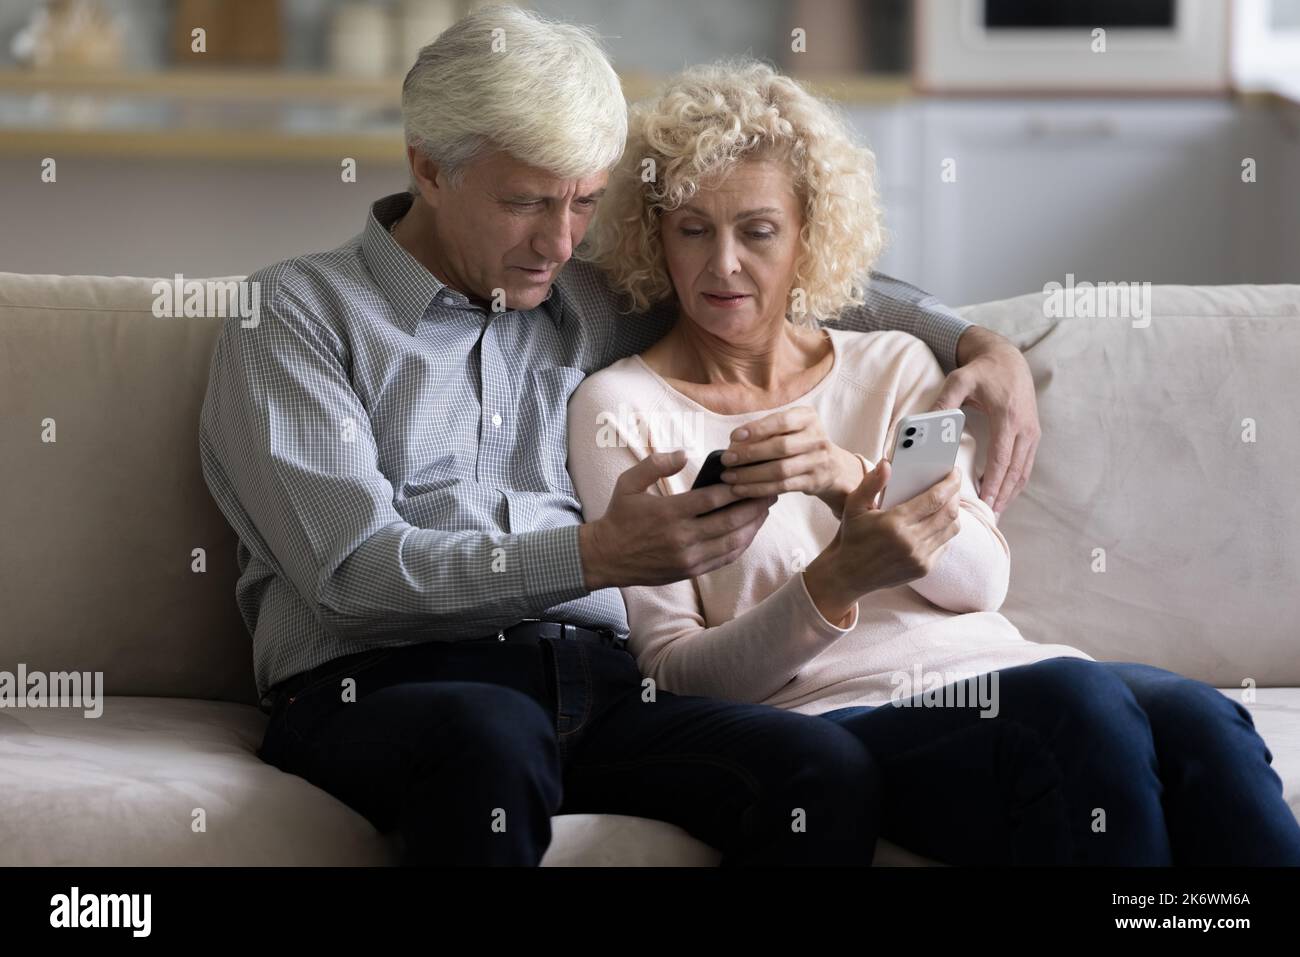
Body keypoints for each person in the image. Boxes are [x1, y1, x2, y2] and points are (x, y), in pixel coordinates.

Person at [201, 7, 1041, 866]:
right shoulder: (296, 315)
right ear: (429, 168)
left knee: (819, 768)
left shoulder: (582, 294)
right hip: (382, 686)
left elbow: (769, 268)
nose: (560, 242)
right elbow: (350, 574)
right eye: (527, 203)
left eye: (585, 205)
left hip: (597, 689)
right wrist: (595, 556)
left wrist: (979, 342)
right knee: (489, 737)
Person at [569, 58, 1300, 865]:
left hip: (1013, 670)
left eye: (759, 231)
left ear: (807, 233)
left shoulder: (893, 363)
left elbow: (982, 582)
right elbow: (675, 675)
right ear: (655, 233)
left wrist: (854, 484)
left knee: (1204, 722)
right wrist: (834, 581)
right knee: (1079, 706)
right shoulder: (620, 409)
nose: (724, 266)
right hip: (840, 717)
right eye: (693, 229)